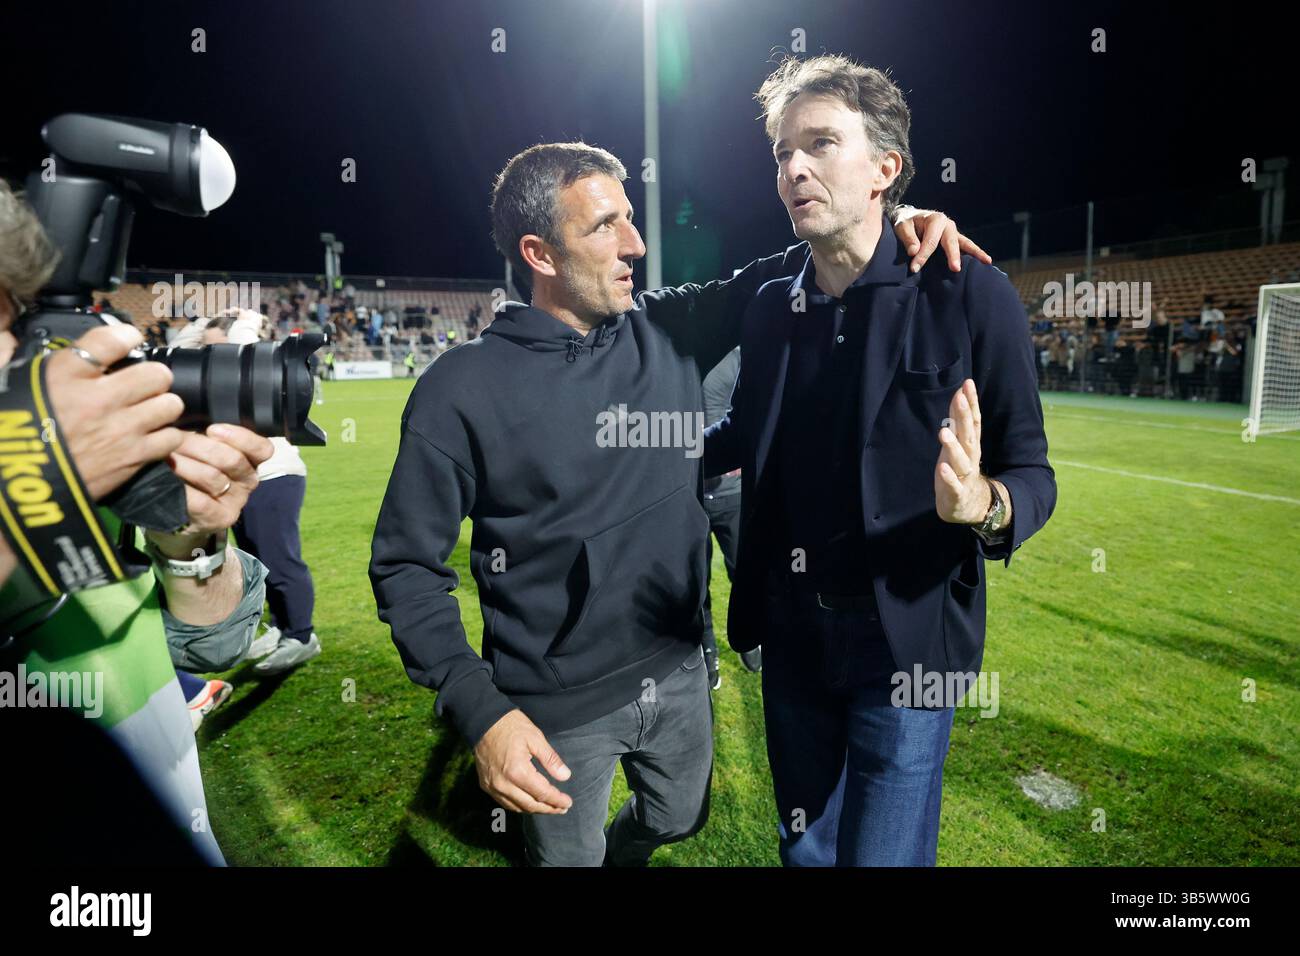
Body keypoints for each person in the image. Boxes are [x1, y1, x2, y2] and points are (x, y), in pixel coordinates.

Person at [369, 141, 983, 867]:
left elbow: (804, 256)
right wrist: (484, 716)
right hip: (556, 706)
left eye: (630, 217)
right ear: (538, 253)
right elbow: (406, 569)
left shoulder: (666, 328)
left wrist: (901, 216)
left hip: (681, 672)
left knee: (678, 819)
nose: (636, 243)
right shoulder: (458, 391)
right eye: (604, 227)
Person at [705, 54, 1055, 866]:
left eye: (821, 144)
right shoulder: (768, 307)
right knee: (806, 856)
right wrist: (619, 448)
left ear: (884, 170)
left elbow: (1032, 472)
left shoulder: (970, 292)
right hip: (791, 640)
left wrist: (984, 506)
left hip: (906, 645)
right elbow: (736, 433)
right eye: (783, 152)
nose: (794, 168)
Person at [699, 346, 760, 688]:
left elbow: (749, 416)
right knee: (698, 584)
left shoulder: (739, 355)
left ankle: (750, 640)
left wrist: (741, 450)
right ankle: (709, 656)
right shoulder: (682, 356)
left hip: (731, 495)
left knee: (744, 571)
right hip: (690, 497)